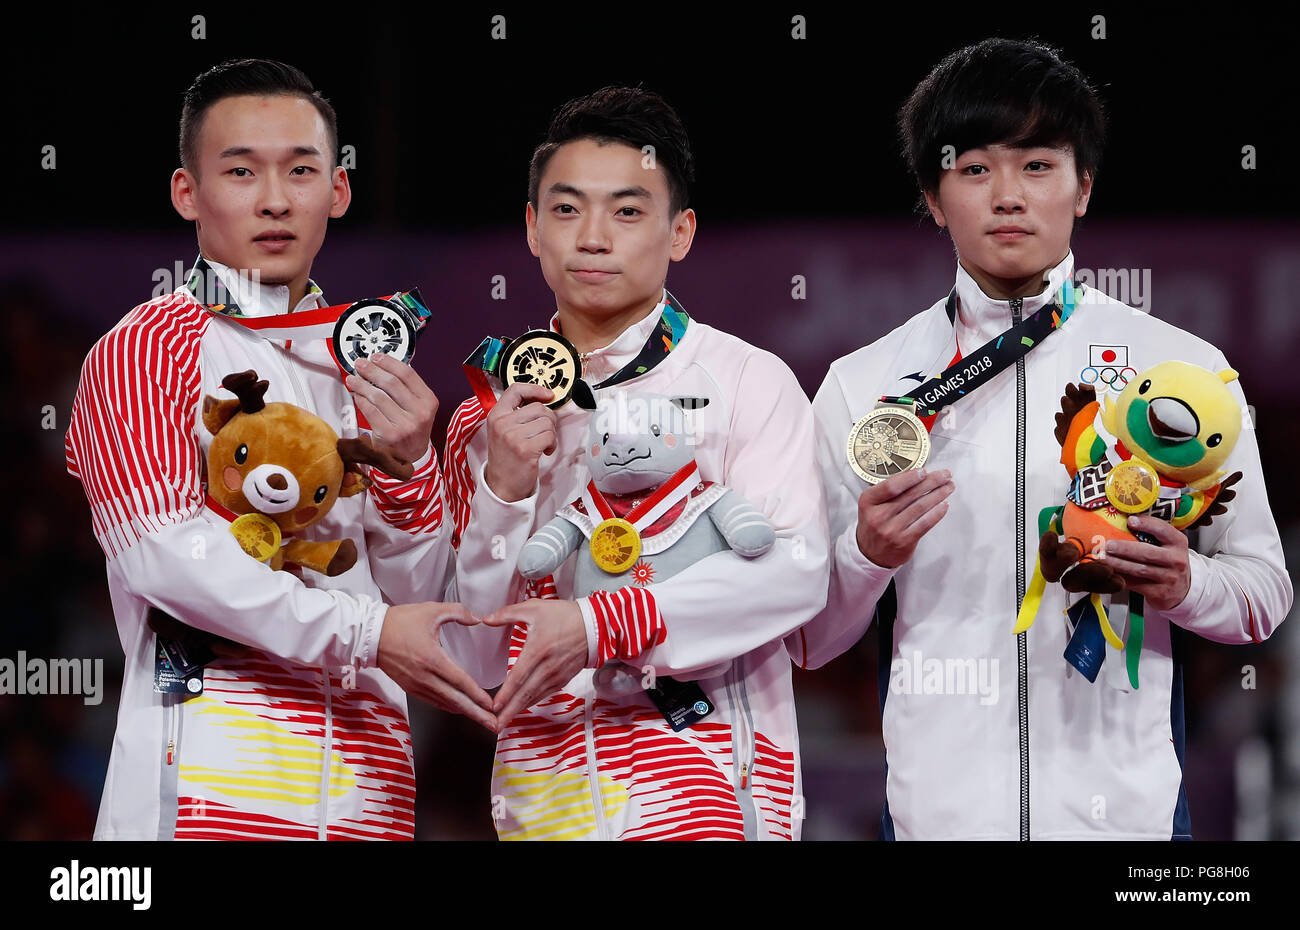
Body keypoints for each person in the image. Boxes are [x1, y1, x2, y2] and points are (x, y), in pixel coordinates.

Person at [789, 38, 1293, 840]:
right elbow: (809, 640)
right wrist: (866, 555)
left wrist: (1183, 583)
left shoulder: (1182, 372)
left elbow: (1267, 595)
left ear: (1082, 187)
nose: (1008, 197)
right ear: (933, 193)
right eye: (975, 169)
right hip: (935, 822)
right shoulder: (865, 385)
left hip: (1131, 826)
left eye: (1037, 166)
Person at [64, 58, 492, 841]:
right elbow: (161, 554)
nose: (273, 199)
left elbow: (423, 598)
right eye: (240, 170)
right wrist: (364, 633)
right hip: (207, 787)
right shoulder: (146, 347)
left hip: (371, 794)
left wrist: (415, 465)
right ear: (186, 192)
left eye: (300, 170)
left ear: (338, 191)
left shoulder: (363, 364)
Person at [442, 86, 829, 840]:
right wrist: (503, 492)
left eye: (626, 211)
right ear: (531, 228)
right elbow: (478, 653)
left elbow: (796, 570)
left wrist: (599, 624)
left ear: (679, 232)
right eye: (565, 209)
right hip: (545, 801)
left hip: (720, 788)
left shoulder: (748, 380)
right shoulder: (486, 412)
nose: (592, 238)